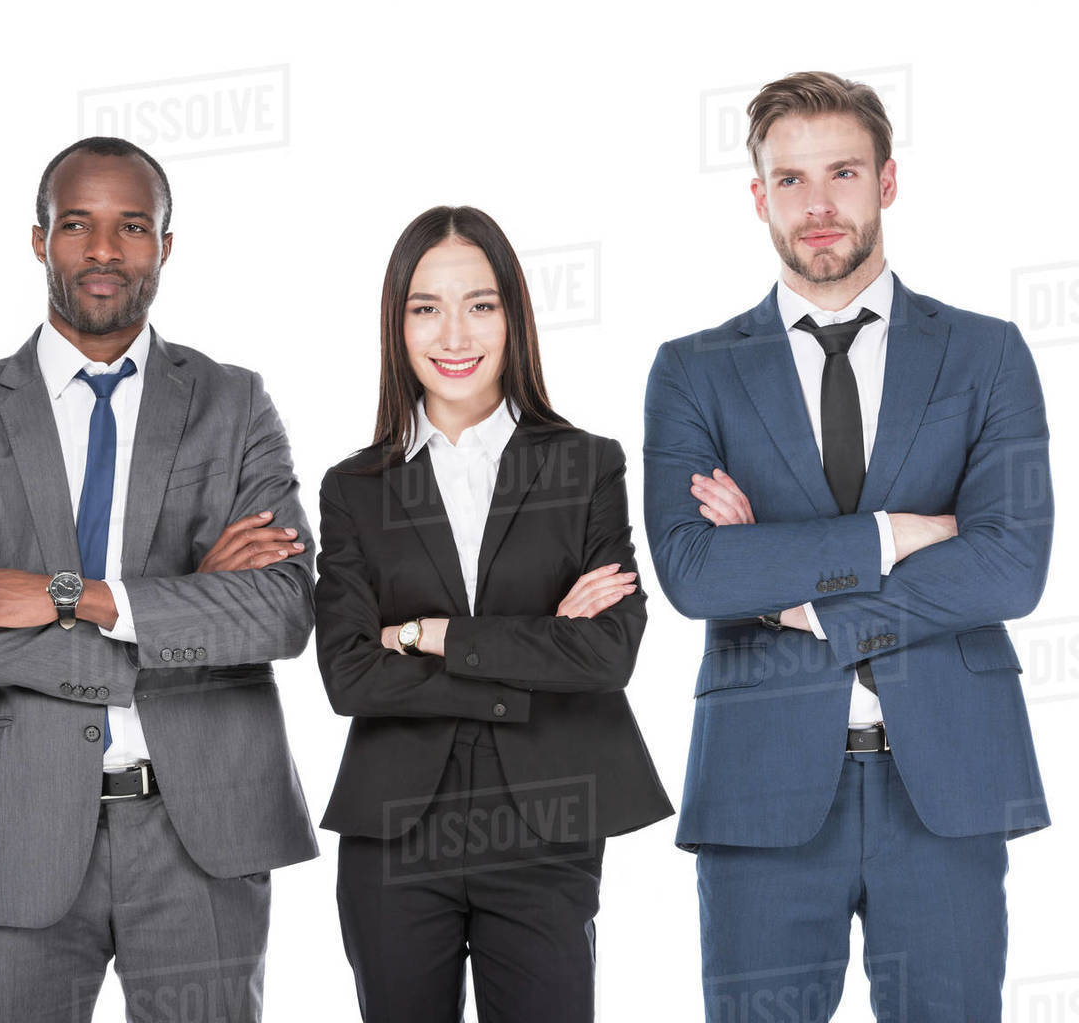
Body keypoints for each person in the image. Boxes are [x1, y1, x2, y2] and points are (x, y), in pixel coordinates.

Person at [643, 71, 1053, 1021]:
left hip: (945, 781)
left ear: (888, 181)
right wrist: (896, 534)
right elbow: (699, 574)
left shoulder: (986, 355)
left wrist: (799, 597)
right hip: (761, 785)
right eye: (790, 180)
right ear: (757, 197)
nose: (818, 206)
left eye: (842, 174)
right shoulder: (692, 371)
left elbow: (1010, 564)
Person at [0, 137, 318, 1023]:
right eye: (77, 225)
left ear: (165, 244)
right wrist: (186, 604)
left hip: (203, 828)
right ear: (39, 239)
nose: (103, 250)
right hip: (10, 832)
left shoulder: (235, 404)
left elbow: (280, 612)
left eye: (131, 226)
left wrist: (71, 596)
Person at [315, 205, 673, 1022]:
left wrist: (423, 635)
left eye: (480, 305)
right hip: (394, 836)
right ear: (396, 325)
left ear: (513, 316)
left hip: (546, 826)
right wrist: (534, 652)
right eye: (425, 307)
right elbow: (348, 674)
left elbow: (608, 655)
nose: (454, 334)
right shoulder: (354, 488)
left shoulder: (586, 464)